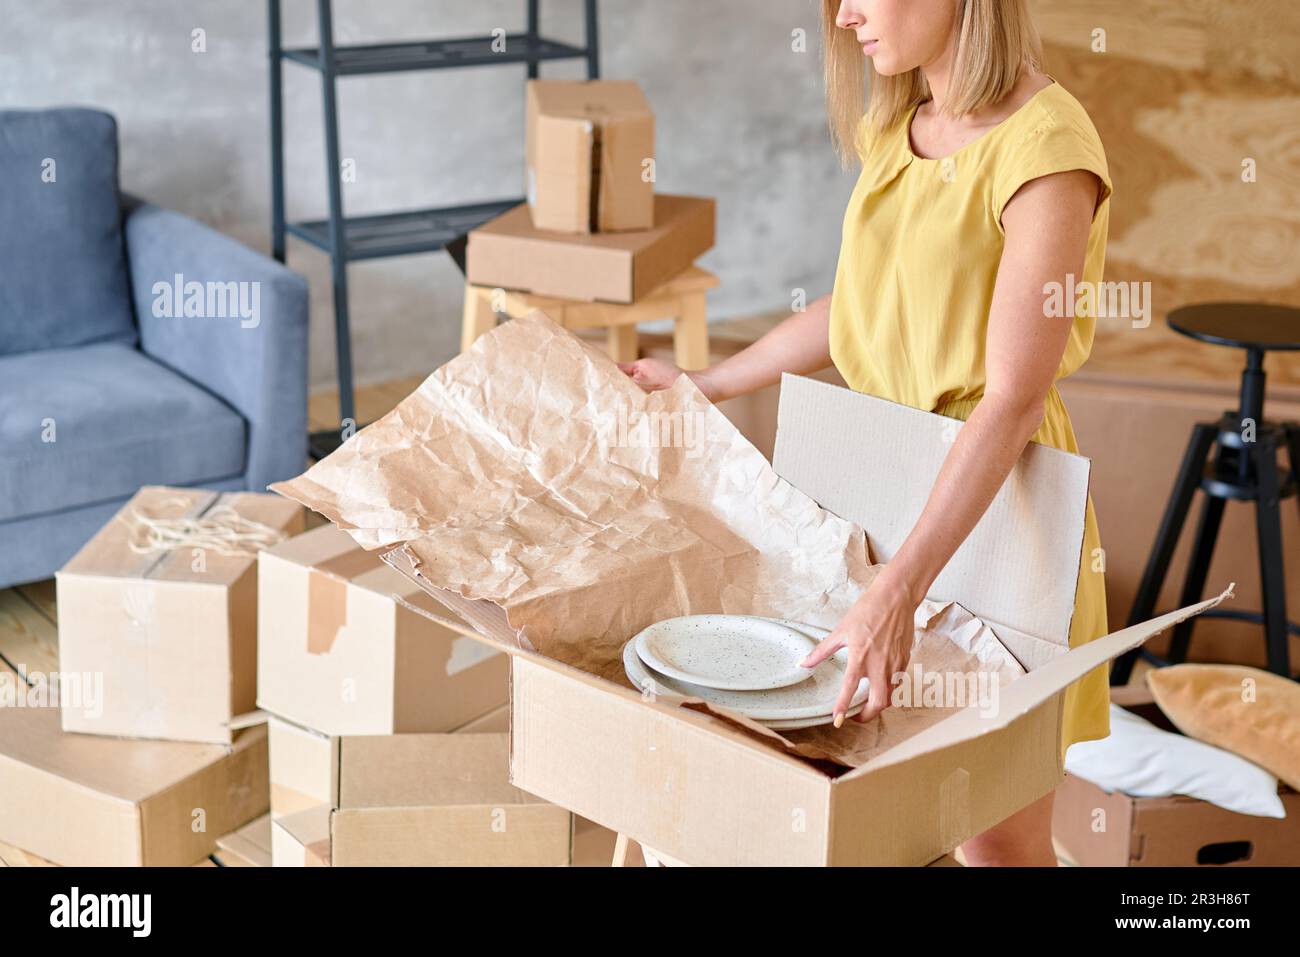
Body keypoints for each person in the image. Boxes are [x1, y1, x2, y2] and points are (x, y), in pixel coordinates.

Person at [618, 0, 1113, 866]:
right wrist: (711, 382)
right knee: (892, 798)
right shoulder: (901, 124)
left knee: (992, 835)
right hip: (881, 489)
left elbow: (1011, 401)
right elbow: (867, 304)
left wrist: (898, 592)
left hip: (998, 509)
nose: (843, 17)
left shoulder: (1047, 153)